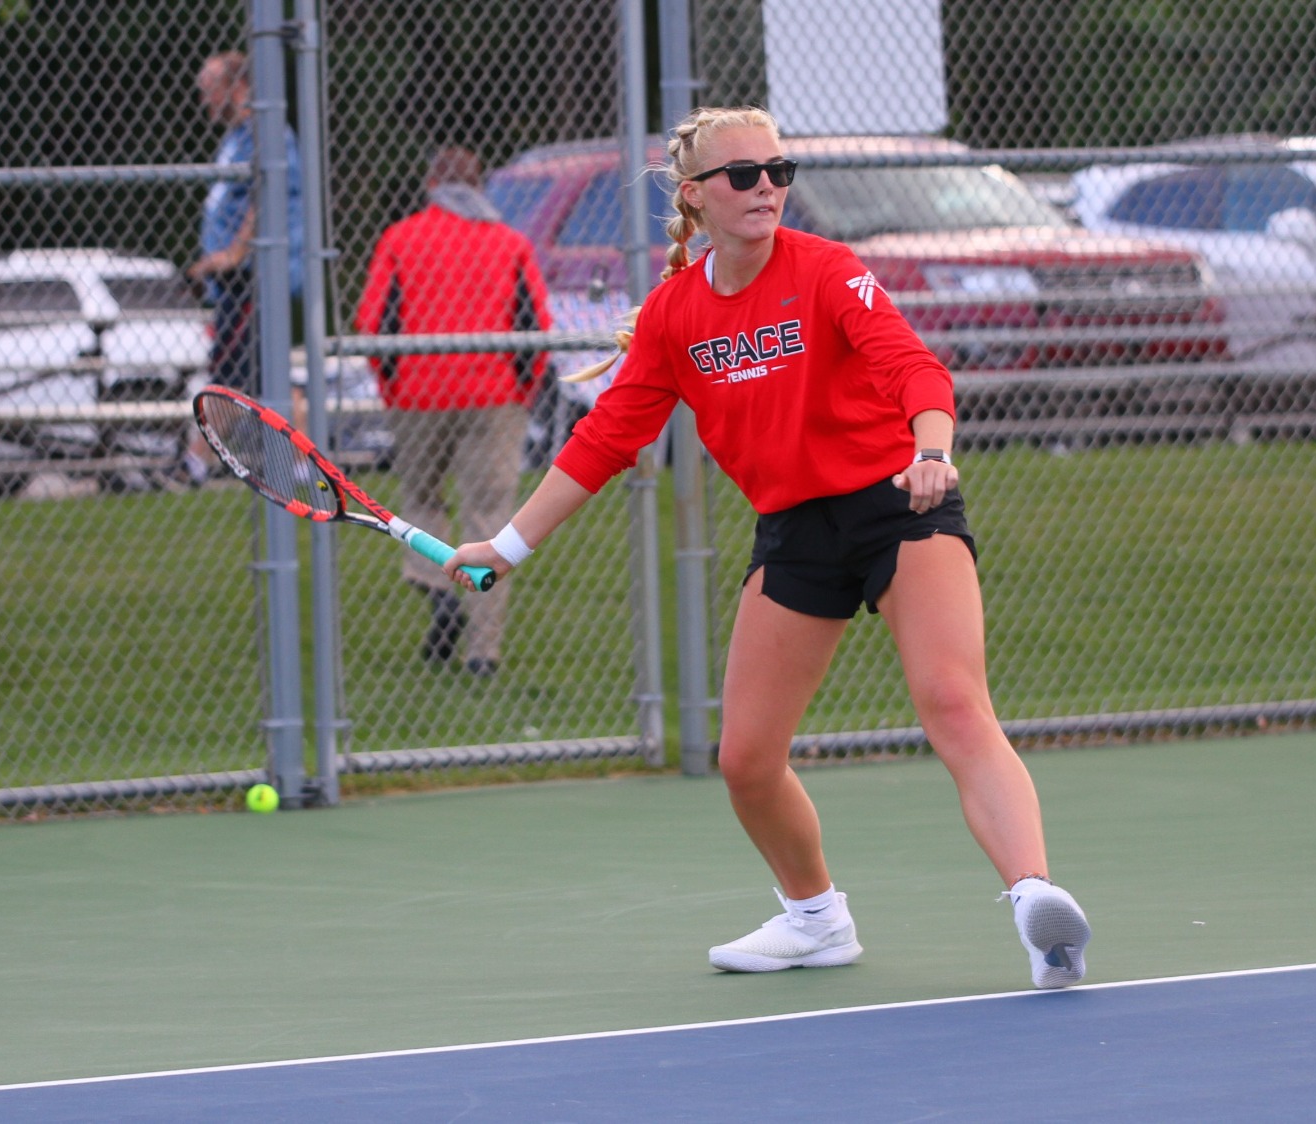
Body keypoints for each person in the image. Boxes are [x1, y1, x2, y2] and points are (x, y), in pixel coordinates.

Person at [442, 107, 1092, 988]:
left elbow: (915, 370)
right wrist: (508, 545)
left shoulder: (825, 269)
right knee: (746, 759)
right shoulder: (675, 313)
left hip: (901, 504)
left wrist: (932, 451)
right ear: (697, 196)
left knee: (952, 700)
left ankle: (1036, 905)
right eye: (742, 175)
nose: (766, 188)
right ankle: (816, 920)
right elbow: (605, 440)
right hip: (795, 532)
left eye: (777, 170)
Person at [354, 146, 552, 677]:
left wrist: (393, 388)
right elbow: (537, 323)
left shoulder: (401, 239)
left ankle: (437, 585)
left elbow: (374, 322)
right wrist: (523, 387)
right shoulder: (510, 243)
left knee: (421, 497)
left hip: (418, 393)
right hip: (495, 394)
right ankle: (483, 653)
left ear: (431, 183)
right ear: (480, 185)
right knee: (490, 515)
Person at [186, 50, 305, 464]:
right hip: (239, 278)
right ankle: (301, 469)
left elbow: (268, 195)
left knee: (231, 376)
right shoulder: (236, 137)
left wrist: (234, 254)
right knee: (256, 373)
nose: (205, 101)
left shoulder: (264, 132)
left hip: (252, 275)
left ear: (237, 88)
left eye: (210, 90)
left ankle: (193, 466)